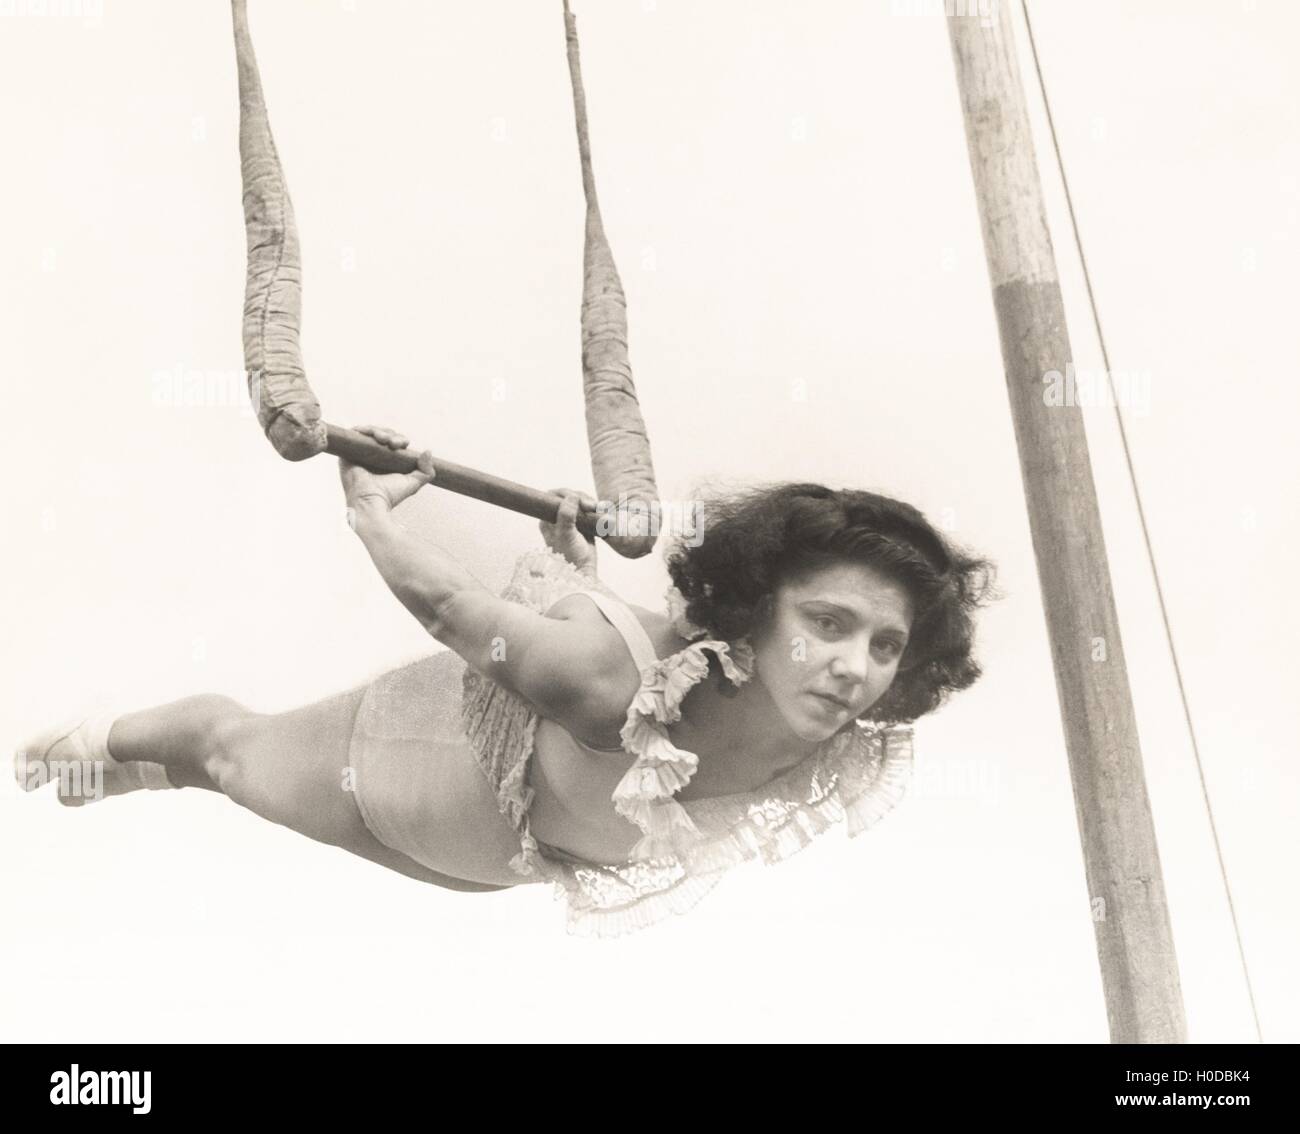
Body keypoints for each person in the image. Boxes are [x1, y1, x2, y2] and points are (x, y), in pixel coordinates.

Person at [15, 426, 996, 937]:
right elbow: (454, 611)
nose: (854, 667)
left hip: (492, 860)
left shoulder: (848, 742)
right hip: (414, 763)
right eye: (827, 624)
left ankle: (143, 768)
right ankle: (102, 742)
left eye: (885, 645)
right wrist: (372, 512)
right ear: (754, 611)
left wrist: (575, 577)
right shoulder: (611, 685)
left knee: (228, 776)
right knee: (226, 754)